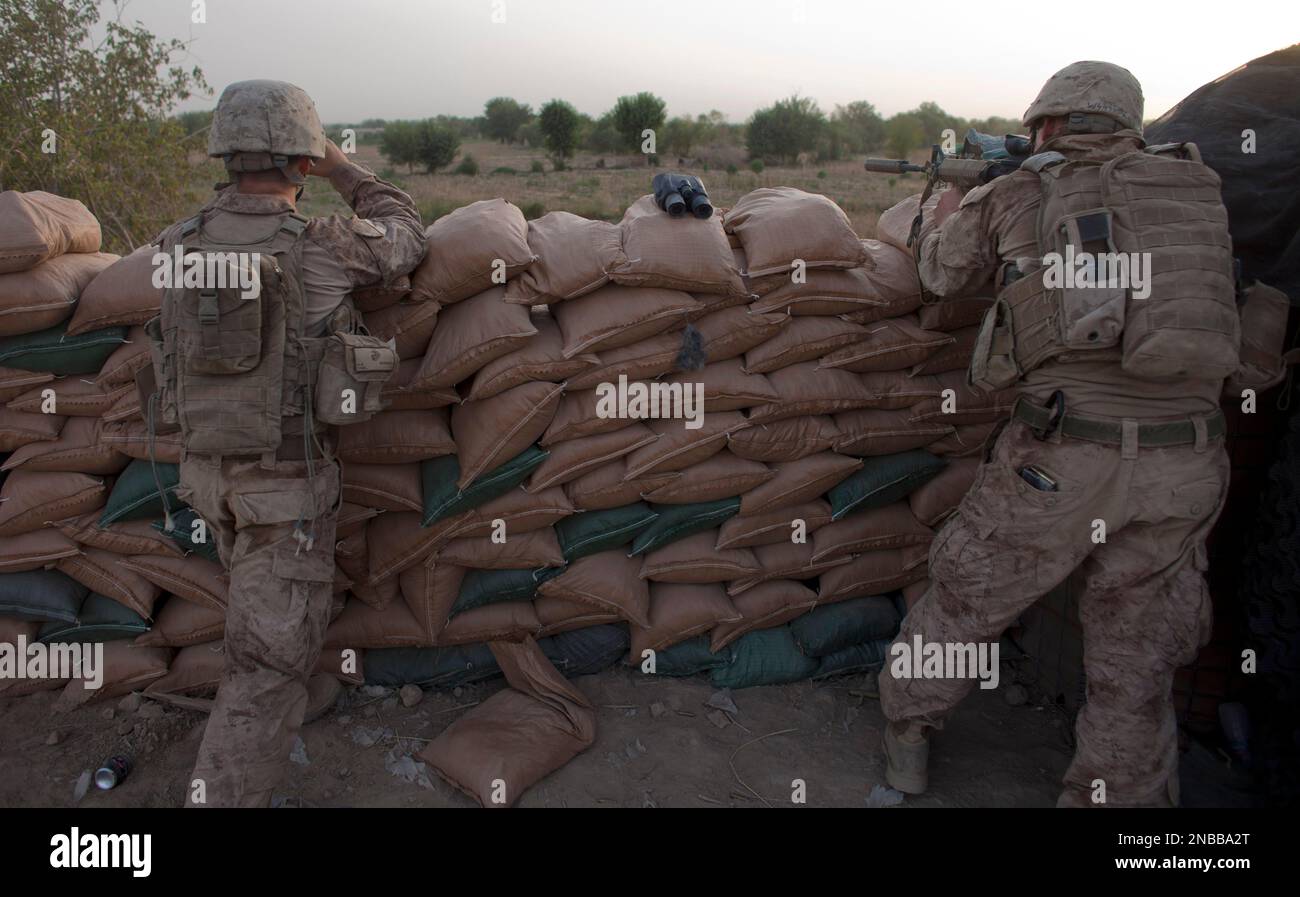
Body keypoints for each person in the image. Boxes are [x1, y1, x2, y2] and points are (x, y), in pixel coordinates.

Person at [878, 61, 1242, 807]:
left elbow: (939, 275)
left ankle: (907, 741)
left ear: (1046, 124)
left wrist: (951, 196)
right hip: (1188, 462)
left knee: (967, 593)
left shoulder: (1021, 189)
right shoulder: (1195, 191)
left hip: (1064, 454)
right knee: (1135, 655)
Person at [146, 80, 426, 807]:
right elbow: (407, 234)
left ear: (225, 153)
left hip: (208, 483)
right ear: (300, 162)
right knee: (264, 667)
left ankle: (291, 689)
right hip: (285, 493)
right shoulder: (325, 244)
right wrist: (342, 167)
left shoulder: (177, 241)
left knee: (264, 628)